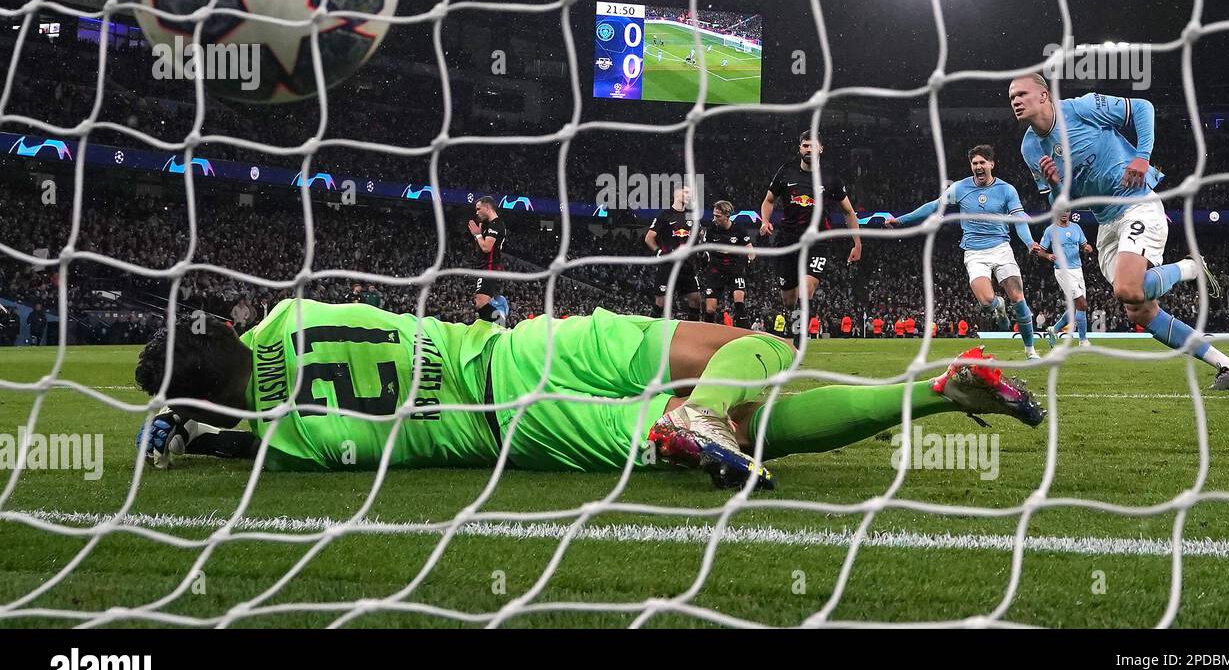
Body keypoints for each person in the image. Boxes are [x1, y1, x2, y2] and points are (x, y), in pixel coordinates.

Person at [134, 298, 1044, 489]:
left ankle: (684, 425)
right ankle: (942, 391)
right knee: (756, 355)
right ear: (224, 327)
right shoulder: (290, 311)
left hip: (503, 425)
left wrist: (188, 430)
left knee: (726, 429)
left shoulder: (280, 429)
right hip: (531, 344)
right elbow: (233, 334)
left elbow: (245, 435)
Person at [1009, 73, 1229, 388]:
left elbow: (1144, 108)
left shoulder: (1082, 108)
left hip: (1138, 204)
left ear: (1043, 96)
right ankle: (1228, 366)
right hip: (1105, 222)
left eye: (1021, 94)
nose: (1015, 101)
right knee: (1140, 313)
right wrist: (1054, 185)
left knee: (1126, 290)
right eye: (1012, 97)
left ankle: (1191, 266)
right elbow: (1060, 202)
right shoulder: (1029, 148)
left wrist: (1142, 158)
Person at [887, 144, 1046, 360]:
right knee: (987, 301)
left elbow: (1019, 221)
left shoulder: (1006, 190)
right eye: (974, 163)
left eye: (982, 162)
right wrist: (901, 220)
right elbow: (933, 206)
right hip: (974, 253)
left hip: (1001, 249)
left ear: (991, 164)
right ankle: (998, 306)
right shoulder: (960, 189)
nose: (978, 167)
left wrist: (1029, 243)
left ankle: (1030, 351)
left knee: (1018, 299)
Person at [759, 130, 862, 324]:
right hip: (788, 240)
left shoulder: (830, 178)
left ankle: (800, 339)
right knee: (789, 300)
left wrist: (857, 243)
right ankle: (795, 317)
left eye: (812, 145)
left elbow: (848, 211)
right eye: (805, 145)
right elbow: (769, 200)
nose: (808, 149)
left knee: (806, 290)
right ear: (800, 148)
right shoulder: (786, 171)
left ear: (821, 149)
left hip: (817, 241)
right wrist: (765, 220)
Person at [646, 186, 703, 319]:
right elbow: (649, 238)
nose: (689, 196)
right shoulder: (665, 215)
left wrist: (701, 249)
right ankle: (652, 330)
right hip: (668, 265)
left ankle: (692, 333)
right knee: (661, 302)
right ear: (676, 194)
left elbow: (699, 236)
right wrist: (658, 252)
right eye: (686, 192)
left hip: (687, 265)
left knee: (696, 299)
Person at [1038, 211, 1094, 346]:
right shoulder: (1051, 230)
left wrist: (1087, 248)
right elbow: (1040, 250)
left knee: (1076, 307)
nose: (1064, 213)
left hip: (1078, 270)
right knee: (1082, 304)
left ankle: (1054, 329)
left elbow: (1086, 245)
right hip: (1063, 271)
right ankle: (1083, 340)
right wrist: (1048, 256)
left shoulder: (1076, 228)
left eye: (1067, 210)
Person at [468, 196, 510, 324]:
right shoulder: (489, 225)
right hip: (484, 267)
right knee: (479, 303)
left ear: (487, 207)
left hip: (489, 267)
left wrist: (477, 235)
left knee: (480, 303)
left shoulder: (496, 224)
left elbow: (486, 247)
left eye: (478, 209)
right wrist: (478, 235)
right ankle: (491, 330)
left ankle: (502, 325)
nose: (477, 212)